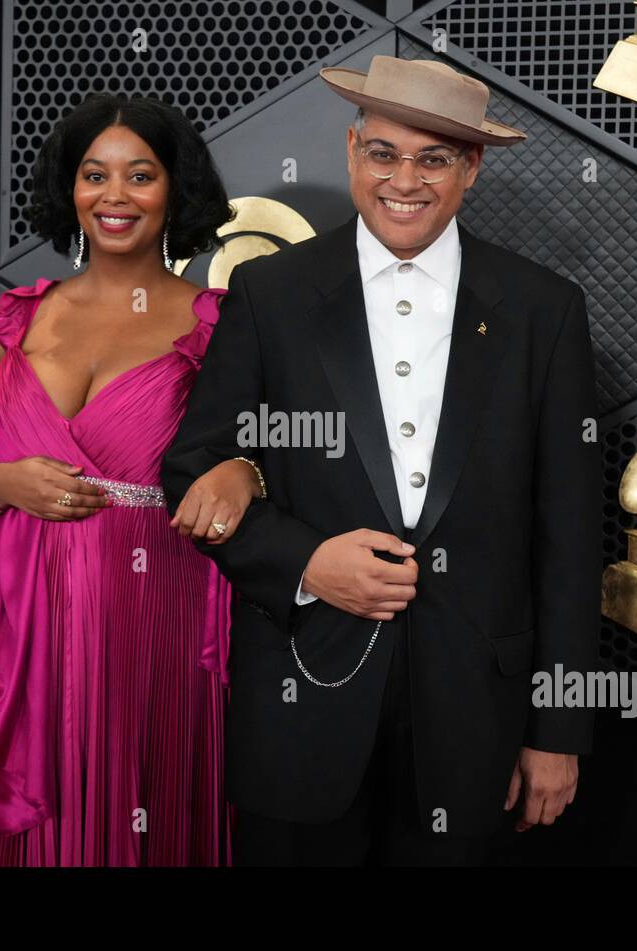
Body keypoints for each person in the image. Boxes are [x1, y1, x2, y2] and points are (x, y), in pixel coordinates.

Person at [162, 55, 602, 865]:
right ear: (352, 150)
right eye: (384, 153)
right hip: (303, 691)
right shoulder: (270, 292)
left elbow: (570, 538)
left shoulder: (545, 309)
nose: (407, 179)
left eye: (434, 157)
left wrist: (557, 728)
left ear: (470, 168)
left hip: (480, 715)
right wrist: (307, 562)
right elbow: (194, 472)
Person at [0, 93, 262, 865]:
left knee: (148, 812)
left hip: (158, 615)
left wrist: (246, 474)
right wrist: (4, 484)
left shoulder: (221, 323)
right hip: (26, 627)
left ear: (176, 189)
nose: (114, 196)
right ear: (69, 189)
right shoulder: (13, 320)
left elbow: (272, 460)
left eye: (139, 175)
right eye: (93, 175)